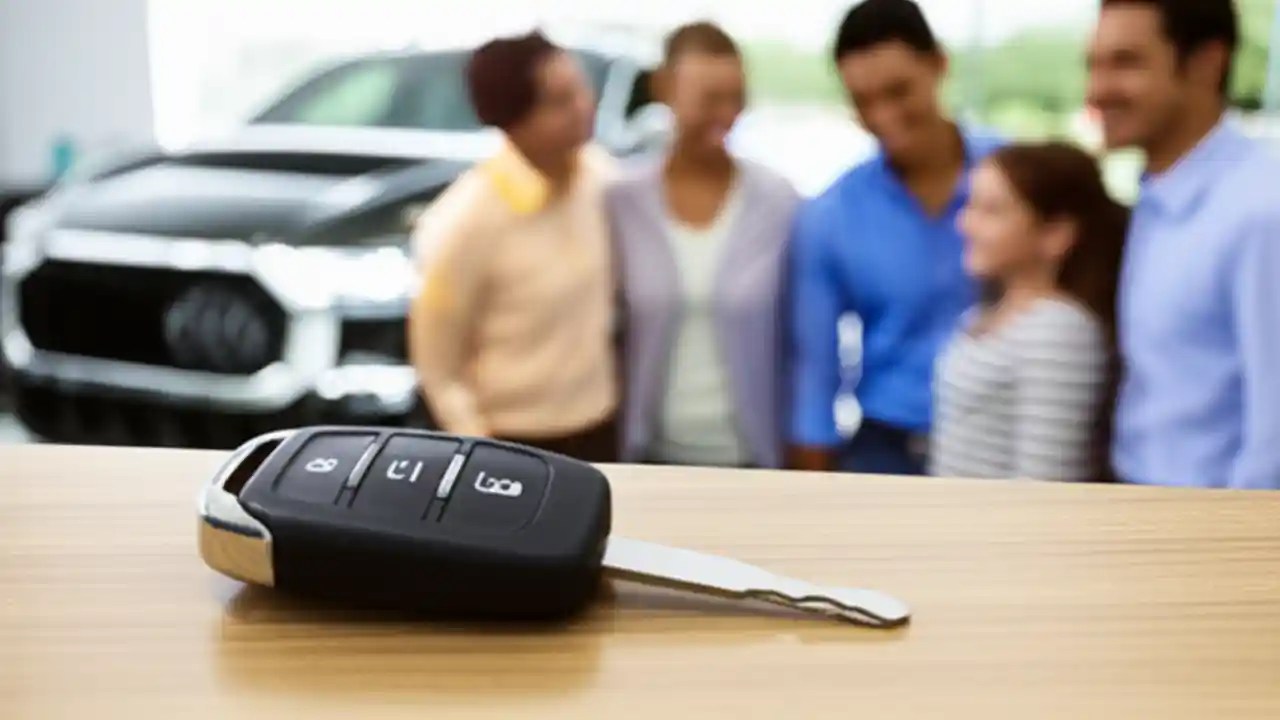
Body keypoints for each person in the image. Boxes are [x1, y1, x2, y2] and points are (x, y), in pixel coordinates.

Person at [789, 0, 1001, 475]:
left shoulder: (1015, 177)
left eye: (899, 91)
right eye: (863, 101)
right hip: (888, 447)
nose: (883, 116)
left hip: (1006, 431)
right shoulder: (830, 215)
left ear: (939, 64)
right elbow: (814, 379)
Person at [1089, 0, 1280, 489]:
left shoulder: (1261, 210)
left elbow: (1273, 441)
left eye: (1126, 62)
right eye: (1094, 64)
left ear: (1206, 63)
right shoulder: (1159, 191)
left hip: (1211, 535)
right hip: (1142, 507)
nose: (1097, 90)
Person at [408, 32, 618, 462]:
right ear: (512, 120)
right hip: (512, 443)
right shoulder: (465, 221)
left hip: (600, 431)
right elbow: (438, 369)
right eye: (559, 101)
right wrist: (482, 452)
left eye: (579, 88)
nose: (583, 106)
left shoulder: (602, 178)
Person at [609, 22, 800, 469]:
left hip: (751, 461)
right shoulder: (621, 203)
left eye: (737, 98)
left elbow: (801, 342)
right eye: (709, 99)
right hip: (648, 460)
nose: (726, 115)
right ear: (664, 89)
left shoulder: (778, 203)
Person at [930, 144, 1127, 482]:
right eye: (970, 205)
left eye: (991, 211)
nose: (965, 223)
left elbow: (1046, 479)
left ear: (1055, 234)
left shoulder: (1057, 332)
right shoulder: (990, 312)